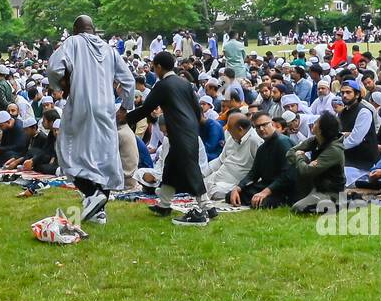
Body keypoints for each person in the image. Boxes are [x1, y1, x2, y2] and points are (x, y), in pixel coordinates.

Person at [46, 16, 135, 226]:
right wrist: (125, 106)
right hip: (106, 109)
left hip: (81, 106)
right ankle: (99, 211)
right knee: (104, 159)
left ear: (75, 30)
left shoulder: (73, 42)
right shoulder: (110, 50)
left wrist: (61, 85)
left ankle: (92, 195)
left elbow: (53, 68)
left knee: (68, 154)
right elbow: (128, 80)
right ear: (93, 29)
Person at [126, 50, 210, 226]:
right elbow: (197, 110)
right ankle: (164, 205)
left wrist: (125, 119)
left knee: (191, 169)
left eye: (153, 68)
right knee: (170, 169)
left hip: (179, 131)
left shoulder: (162, 85)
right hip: (189, 129)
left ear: (158, 67)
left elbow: (147, 107)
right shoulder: (185, 83)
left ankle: (208, 207)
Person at [227, 112, 294, 209]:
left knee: (261, 202)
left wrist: (265, 192)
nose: (261, 129)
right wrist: (238, 188)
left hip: (283, 188)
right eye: (258, 127)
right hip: (267, 185)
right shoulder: (262, 148)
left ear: (272, 124)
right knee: (231, 195)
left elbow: (288, 175)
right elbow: (254, 173)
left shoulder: (283, 142)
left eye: (264, 125)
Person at [286, 112, 347, 213]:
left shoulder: (334, 150)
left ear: (322, 130)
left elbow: (306, 171)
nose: (313, 124)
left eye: (316, 123)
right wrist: (306, 164)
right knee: (292, 202)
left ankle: (338, 205)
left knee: (298, 208)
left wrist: (300, 157)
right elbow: (290, 153)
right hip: (316, 186)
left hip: (331, 192)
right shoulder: (315, 140)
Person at [200, 113, 262, 201]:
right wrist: (203, 173)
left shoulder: (255, 141)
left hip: (233, 183)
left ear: (240, 129)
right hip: (218, 176)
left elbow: (257, 172)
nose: (227, 130)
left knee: (216, 192)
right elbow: (220, 160)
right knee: (198, 185)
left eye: (229, 128)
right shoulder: (232, 137)